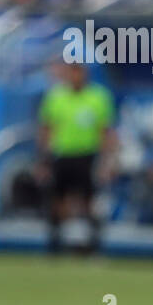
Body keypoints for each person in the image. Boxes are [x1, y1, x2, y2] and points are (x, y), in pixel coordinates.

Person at [36, 60, 116, 254]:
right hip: (62, 154)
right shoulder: (56, 97)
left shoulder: (98, 97)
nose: (75, 76)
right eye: (72, 72)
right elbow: (47, 130)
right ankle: (55, 244)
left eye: (79, 72)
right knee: (57, 200)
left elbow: (105, 131)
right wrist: (43, 160)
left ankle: (92, 247)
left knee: (89, 202)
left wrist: (108, 161)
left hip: (87, 155)